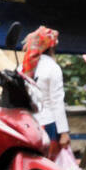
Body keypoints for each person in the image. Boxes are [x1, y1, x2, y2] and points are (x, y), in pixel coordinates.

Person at [21, 25, 70, 153]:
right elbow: (57, 102)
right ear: (51, 47)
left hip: (27, 124)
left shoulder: (22, 67)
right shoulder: (53, 68)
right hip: (48, 125)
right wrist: (64, 132)